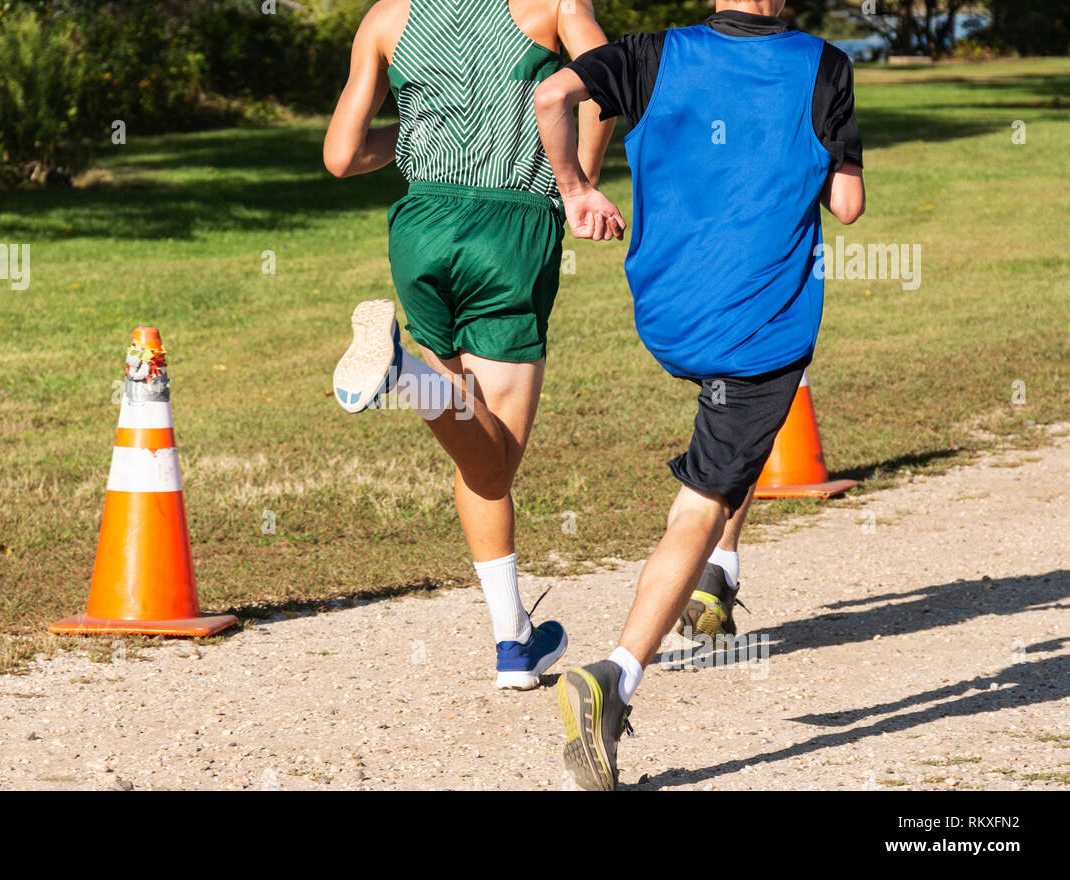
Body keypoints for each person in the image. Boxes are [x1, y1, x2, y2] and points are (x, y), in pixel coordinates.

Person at [532, 0, 866, 788]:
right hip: (759, 327)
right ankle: (614, 676)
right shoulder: (823, 65)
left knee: (736, 433)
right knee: (707, 491)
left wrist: (575, 187)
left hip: (667, 313)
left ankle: (718, 576)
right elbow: (847, 206)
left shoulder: (651, 52)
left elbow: (551, 96)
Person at [324, 0, 614, 689]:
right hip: (509, 226)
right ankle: (401, 371)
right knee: (496, 458)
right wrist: (577, 183)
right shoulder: (556, 3)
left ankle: (515, 641)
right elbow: (609, 86)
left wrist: (426, 132)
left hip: (420, 224)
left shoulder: (386, 18)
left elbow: (341, 155)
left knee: (471, 436)